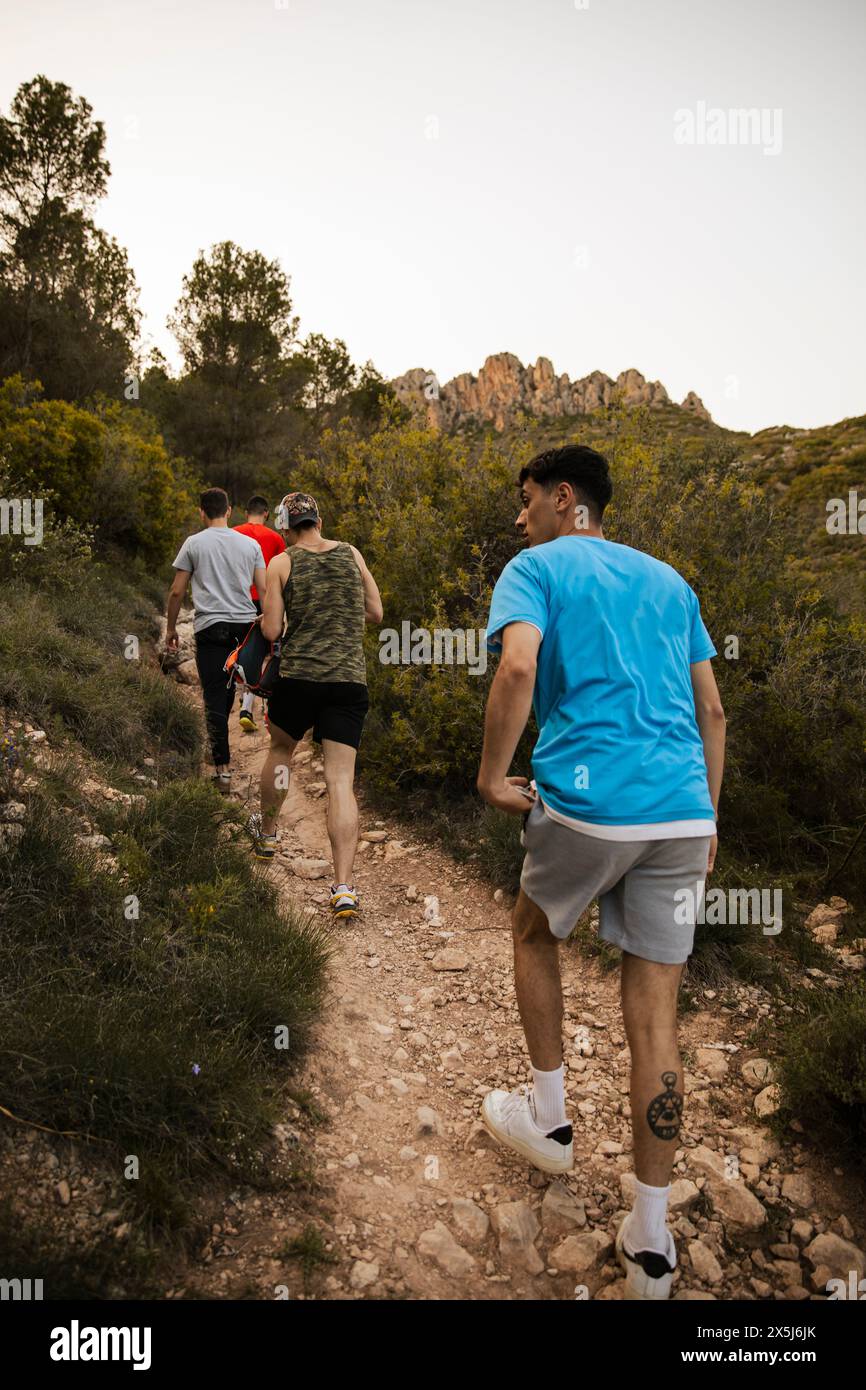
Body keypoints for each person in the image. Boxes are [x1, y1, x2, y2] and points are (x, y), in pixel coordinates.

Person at [476, 444, 726, 1301]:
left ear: (563, 497)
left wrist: (490, 773)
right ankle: (650, 1244)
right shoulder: (671, 582)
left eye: (526, 499)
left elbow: (516, 666)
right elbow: (712, 710)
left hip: (587, 801)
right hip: (684, 813)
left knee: (531, 930)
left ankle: (551, 1121)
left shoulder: (536, 566)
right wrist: (710, 816)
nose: (520, 516)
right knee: (656, 1018)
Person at [254, 492, 383, 920]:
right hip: (348, 681)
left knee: (280, 752)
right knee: (340, 781)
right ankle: (344, 887)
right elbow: (376, 612)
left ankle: (268, 835)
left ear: (286, 528)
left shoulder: (282, 563)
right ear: (320, 520)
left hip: (299, 680)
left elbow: (272, 629)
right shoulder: (352, 554)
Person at [166, 487, 266, 792]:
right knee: (231, 687)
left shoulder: (193, 544)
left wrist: (170, 629)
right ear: (229, 511)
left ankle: (222, 770)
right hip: (245, 628)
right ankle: (227, 743)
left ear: (201, 512)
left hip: (210, 627)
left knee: (213, 696)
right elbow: (264, 591)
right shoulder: (251, 545)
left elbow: (176, 592)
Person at [233, 495, 287, 732]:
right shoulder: (275, 538)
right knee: (269, 655)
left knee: (243, 654)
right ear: (266, 514)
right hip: (265, 601)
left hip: (236, 600)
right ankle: (264, 712)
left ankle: (239, 707)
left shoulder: (233, 533)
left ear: (246, 512)